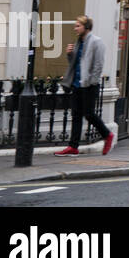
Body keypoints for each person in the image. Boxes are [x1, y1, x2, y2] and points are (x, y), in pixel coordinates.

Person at [54, 15, 113, 156]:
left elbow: (98, 64)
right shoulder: (78, 42)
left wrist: (91, 82)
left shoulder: (96, 42)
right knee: (76, 115)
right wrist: (69, 54)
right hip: (76, 84)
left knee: (89, 114)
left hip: (89, 85)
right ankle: (73, 147)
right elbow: (75, 64)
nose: (75, 28)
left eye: (78, 26)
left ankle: (107, 135)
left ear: (86, 27)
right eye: (75, 26)